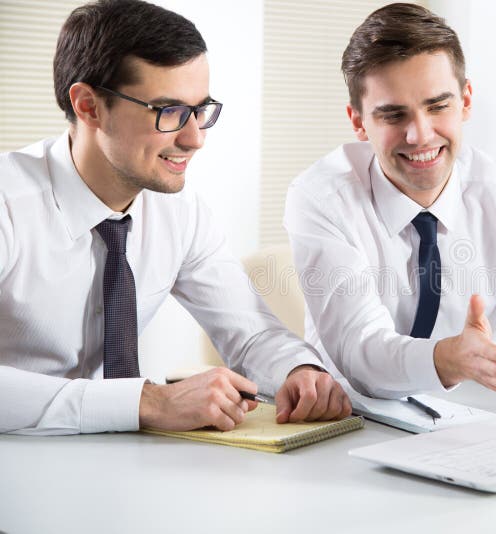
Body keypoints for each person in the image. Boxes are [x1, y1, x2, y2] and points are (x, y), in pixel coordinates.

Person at [0, 0, 350, 435]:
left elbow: (250, 333)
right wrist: (145, 402)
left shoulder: (180, 213)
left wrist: (299, 371)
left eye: (200, 110)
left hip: (115, 466)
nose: (195, 138)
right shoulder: (8, 205)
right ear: (88, 106)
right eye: (169, 112)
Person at [284, 3, 496, 402]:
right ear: (359, 122)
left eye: (438, 106)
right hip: (353, 418)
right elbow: (360, 349)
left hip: (470, 420)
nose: (420, 135)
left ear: (465, 100)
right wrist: (447, 359)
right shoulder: (321, 199)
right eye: (394, 115)